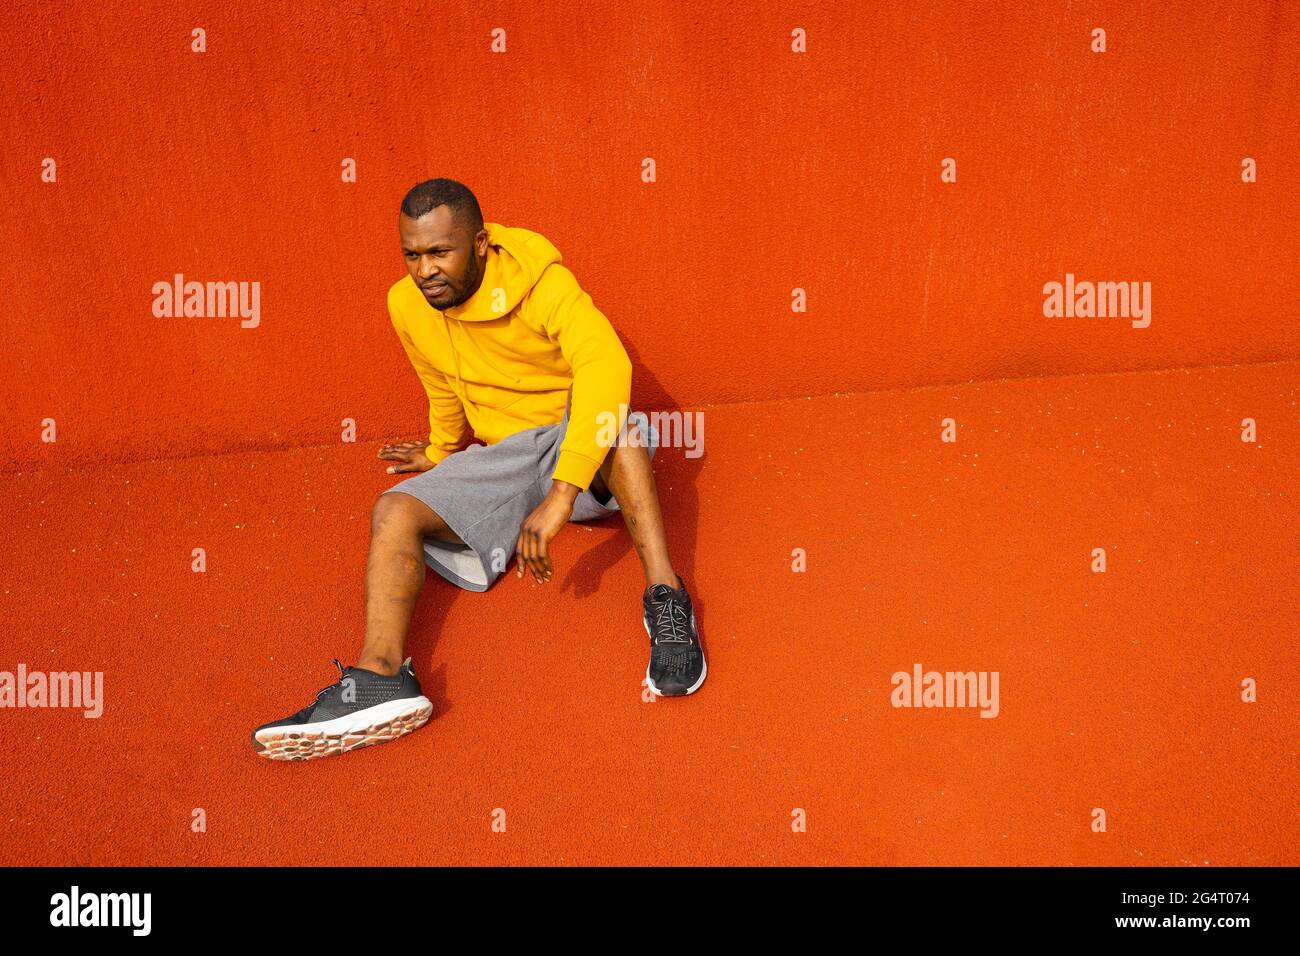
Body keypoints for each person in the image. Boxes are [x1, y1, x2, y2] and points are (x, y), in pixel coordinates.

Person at [251, 178, 706, 761]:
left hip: (578, 442)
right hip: (505, 456)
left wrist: (562, 494)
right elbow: (441, 378)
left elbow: (606, 367)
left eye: (441, 252)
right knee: (394, 510)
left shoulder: (544, 284)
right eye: (412, 254)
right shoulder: (407, 304)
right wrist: (442, 451)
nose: (425, 270)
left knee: (618, 426)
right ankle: (380, 676)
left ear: (482, 243)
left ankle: (667, 599)